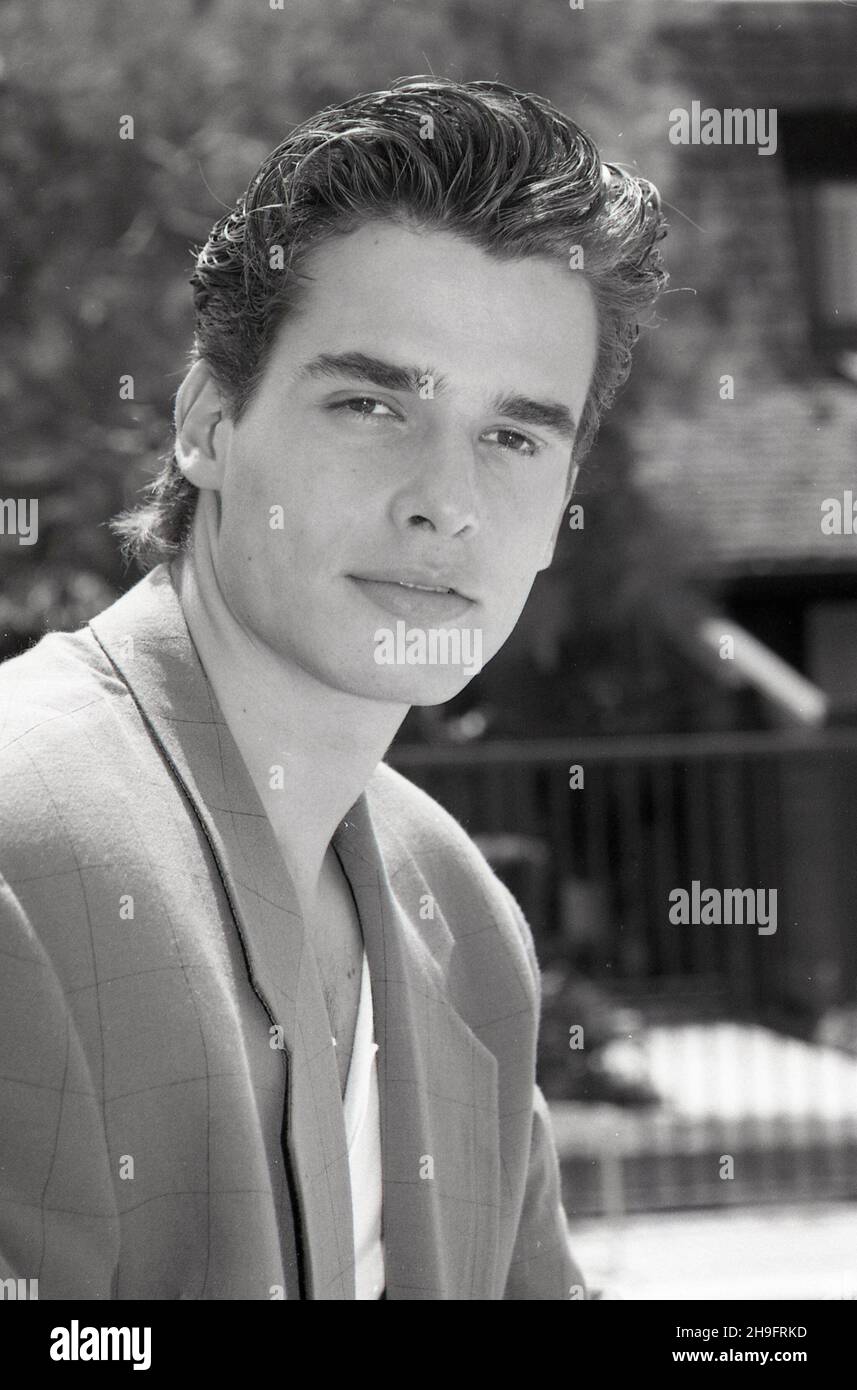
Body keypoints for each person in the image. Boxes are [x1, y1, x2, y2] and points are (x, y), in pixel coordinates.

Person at [0, 76, 667, 1300]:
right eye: (370, 403)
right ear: (206, 422)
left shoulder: (461, 915)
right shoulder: (17, 848)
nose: (445, 500)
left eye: (514, 436)